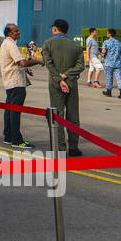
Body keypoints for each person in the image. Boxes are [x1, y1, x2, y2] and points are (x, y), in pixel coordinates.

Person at [40, 19, 85, 156]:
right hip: (71, 83)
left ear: (55, 29)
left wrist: (59, 79)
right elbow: (81, 66)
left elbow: (48, 64)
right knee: (73, 115)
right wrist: (66, 76)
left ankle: (60, 148)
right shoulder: (76, 45)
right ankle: (73, 147)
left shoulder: (47, 44)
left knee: (57, 115)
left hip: (55, 84)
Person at [0, 23, 42, 148]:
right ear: (10, 33)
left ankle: (8, 136)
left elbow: (16, 63)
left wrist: (26, 70)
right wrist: (38, 61)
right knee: (15, 111)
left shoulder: (6, 43)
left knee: (9, 110)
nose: (18, 32)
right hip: (16, 82)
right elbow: (22, 62)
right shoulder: (11, 44)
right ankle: (17, 140)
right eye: (16, 31)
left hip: (9, 82)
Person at [101, 29, 121, 100]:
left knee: (109, 78)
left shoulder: (106, 42)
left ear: (109, 34)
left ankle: (109, 92)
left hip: (109, 63)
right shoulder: (119, 43)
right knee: (119, 78)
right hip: (118, 63)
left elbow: (103, 51)